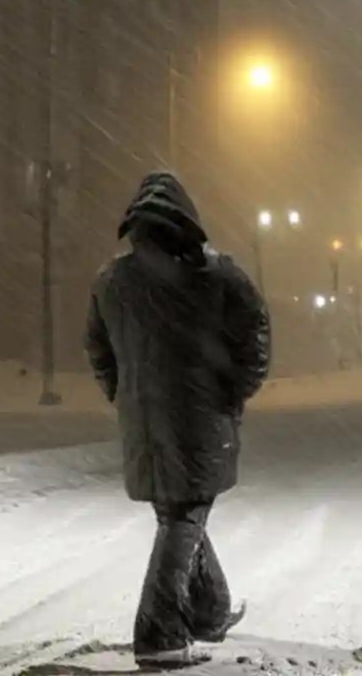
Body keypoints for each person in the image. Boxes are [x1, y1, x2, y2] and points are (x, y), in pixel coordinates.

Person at [85, 171, 270, 668]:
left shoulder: (111, 281)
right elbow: (254, 336)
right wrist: (232, 393)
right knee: (186, 515)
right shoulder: (215, 276)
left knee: (178, 513)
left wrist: (126, 396)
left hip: (145, 423)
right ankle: (159, 633)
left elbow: (98, 351)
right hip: (199, 421)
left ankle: (209, 612)